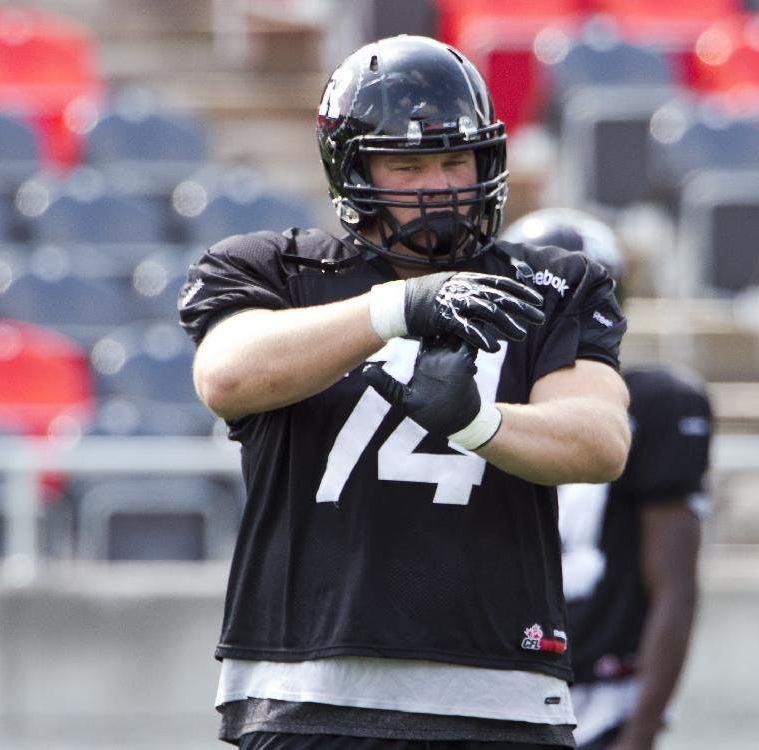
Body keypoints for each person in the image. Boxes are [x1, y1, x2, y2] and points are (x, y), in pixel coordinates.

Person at [178, 35, 631, 750]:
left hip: (501, 690)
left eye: (457, 159)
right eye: (408, 165)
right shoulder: (275, 270)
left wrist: (478, 422)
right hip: (307, 690)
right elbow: (227, 375)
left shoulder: (554, 281)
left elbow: (599, 441)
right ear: (351, 168)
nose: (440, 185)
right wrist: (399, 308)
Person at [501, 208, 713, 750]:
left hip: (602, 692)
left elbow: (674, 584)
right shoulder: (475, 398)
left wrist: (640, 731)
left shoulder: (655, 403)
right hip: (496, 687)